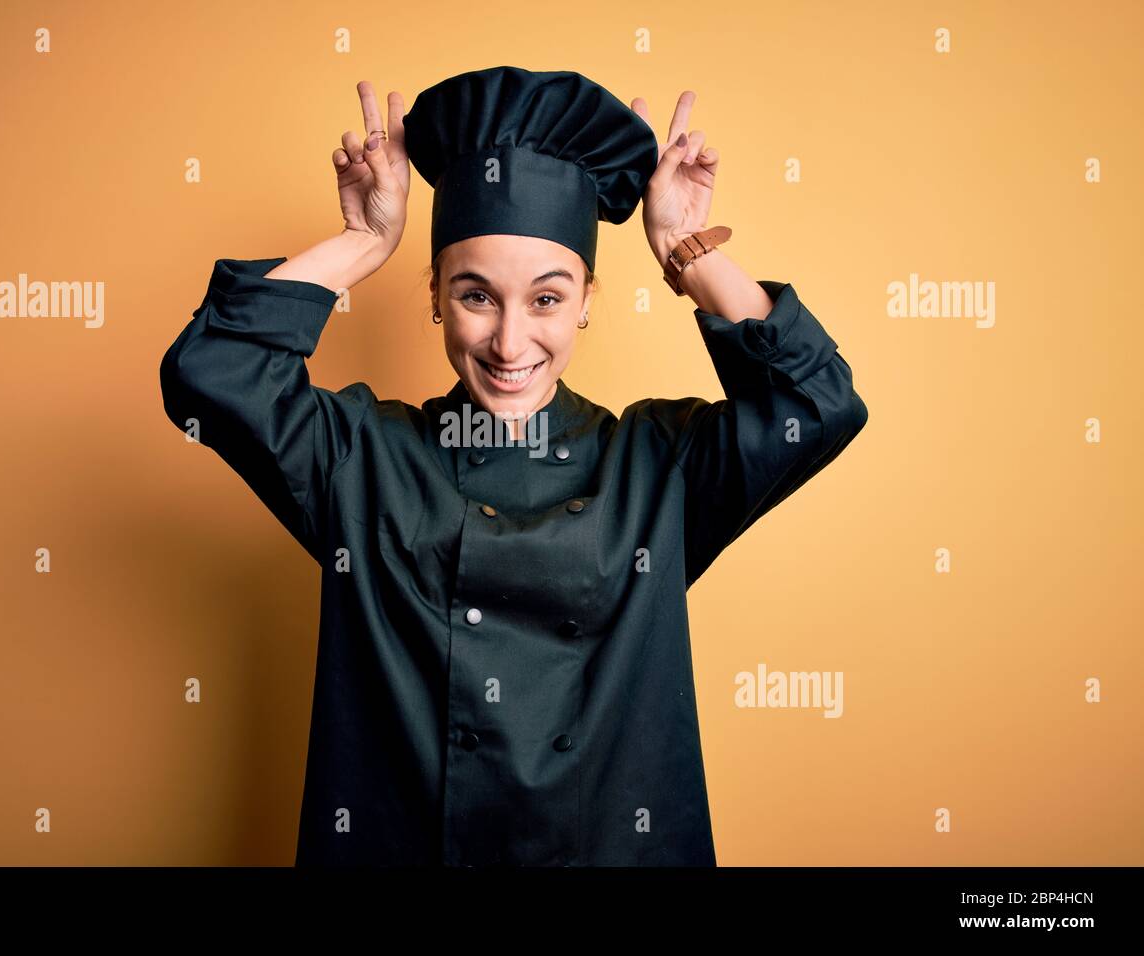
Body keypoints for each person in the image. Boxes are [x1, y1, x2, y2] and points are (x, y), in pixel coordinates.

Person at [159, 65, 868, 866]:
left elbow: (819, 405)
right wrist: (363, 245)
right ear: (432, 293)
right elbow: (209, 372)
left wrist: (686, 254)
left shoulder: (656, 468)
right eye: (476, 295)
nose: (508, 343)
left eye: (547, 298)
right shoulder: (360, 460)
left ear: (589, 300)